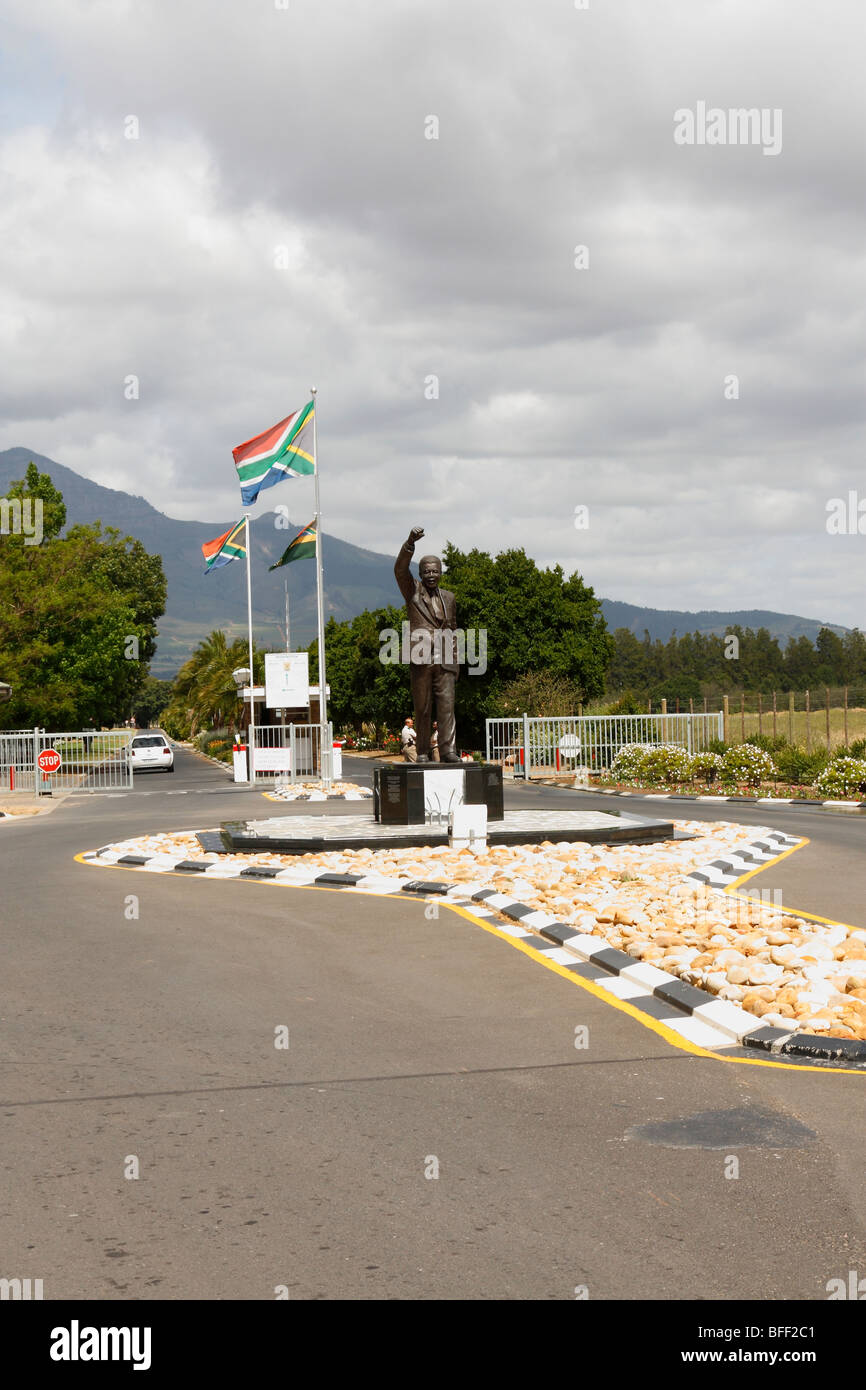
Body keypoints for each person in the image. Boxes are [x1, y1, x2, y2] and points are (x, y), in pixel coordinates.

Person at [394, 526, 460, 762]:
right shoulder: (412, 592)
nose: (432, 575)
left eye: (435, 571)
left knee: (447, 708)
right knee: (422, 708)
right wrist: (410, 542)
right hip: (421, 658)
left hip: (445, 660)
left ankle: (448, 751)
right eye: (427, 572)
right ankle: (422, 752)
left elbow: (452, 629)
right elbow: (400, 570)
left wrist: (456, 662)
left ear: (441, 573)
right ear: (420, 574)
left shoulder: (449, 597)